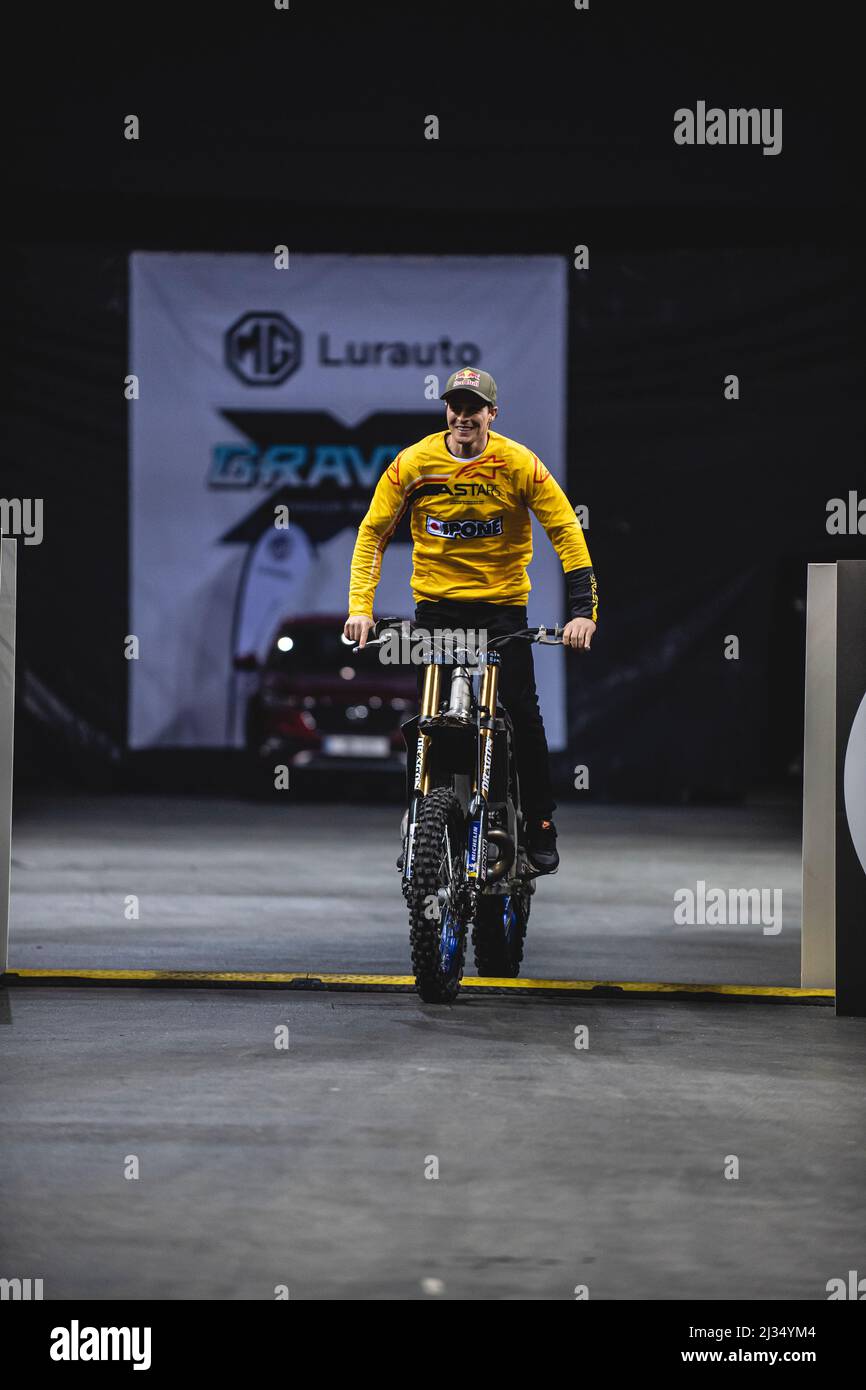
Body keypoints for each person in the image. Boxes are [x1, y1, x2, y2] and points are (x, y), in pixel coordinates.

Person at [343, 367, 598, 873]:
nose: (463, 416)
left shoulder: (517, 462)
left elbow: (566, 529)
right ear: (447, 411)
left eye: (473, 408)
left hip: (502, 606)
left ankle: (540, 822)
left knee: (523, 714)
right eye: (455, 406)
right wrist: (360, 609)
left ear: (491, 414)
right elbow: (372, 533)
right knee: (425, 722)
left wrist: (582, 613)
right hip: (437, 608)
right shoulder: (414, 463)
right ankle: (422, 824)